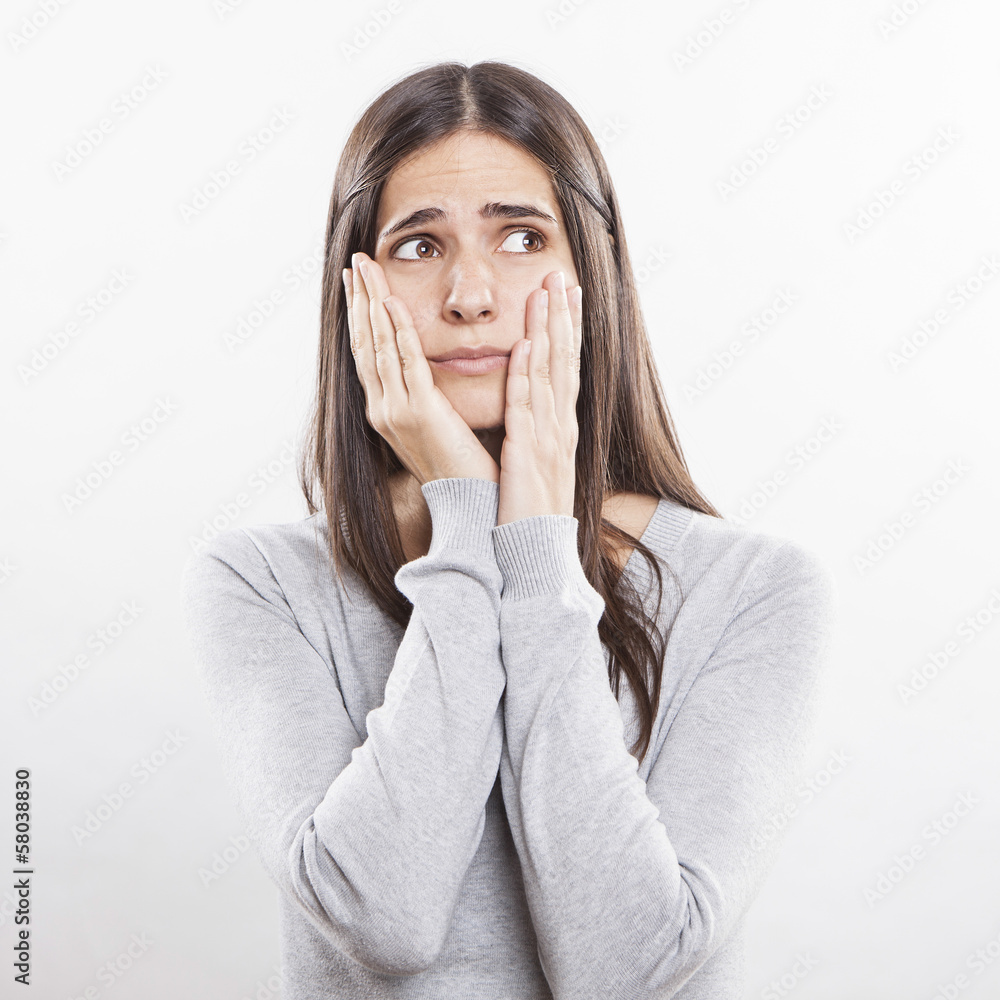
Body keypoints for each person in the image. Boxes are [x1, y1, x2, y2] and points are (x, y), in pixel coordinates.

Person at [181, 59, 836, 999]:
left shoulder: (754, 590)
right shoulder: (264, 583)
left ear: (591, 275)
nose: (469, 295)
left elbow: (625, 967)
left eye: (522, 237)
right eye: (417, 246)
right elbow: (383, 917)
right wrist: (466, 502)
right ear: (354, 289)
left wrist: (535, 545)